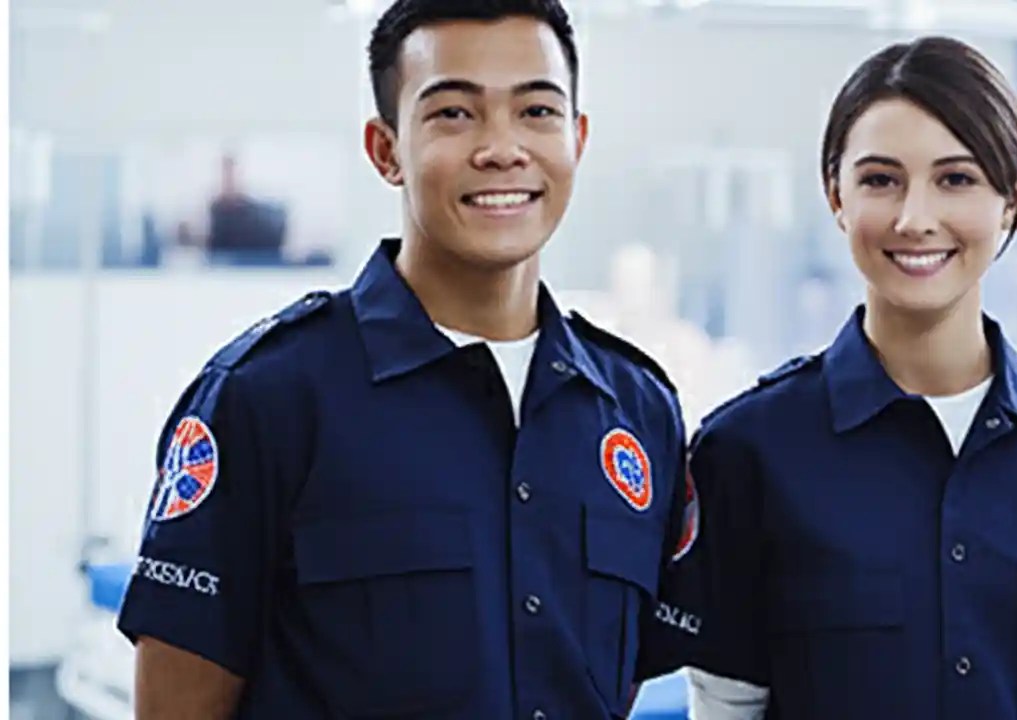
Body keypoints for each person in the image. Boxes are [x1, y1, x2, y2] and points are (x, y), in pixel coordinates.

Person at [116, 1, 688, 717]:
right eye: (453, 113)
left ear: (576, 138)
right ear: (386, 150)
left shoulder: (638, 413)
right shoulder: (266, 397)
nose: (502, 148)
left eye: (536, 112)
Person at [641, 37, 1017, 720]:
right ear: (836, 196)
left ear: (1011, 201)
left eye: (957, 179)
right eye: (881, 180)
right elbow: (726, 707)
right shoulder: (746, 449)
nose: (916, 219)